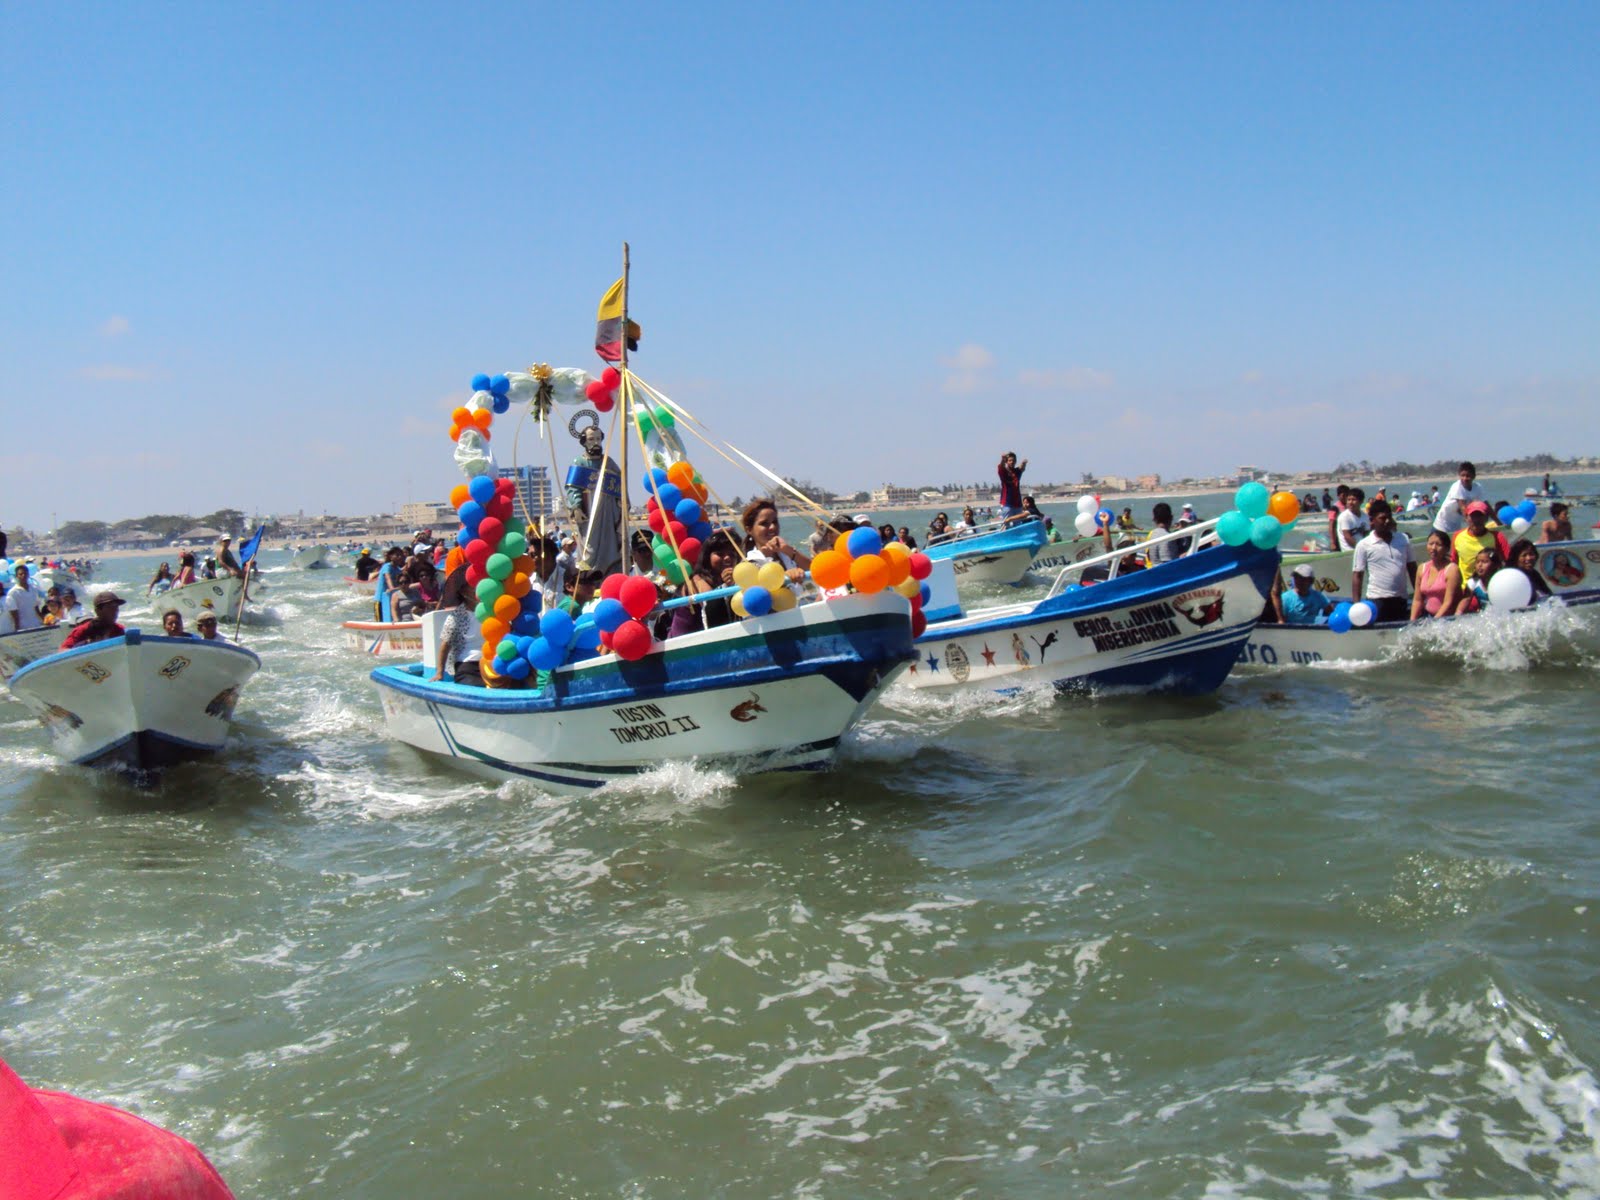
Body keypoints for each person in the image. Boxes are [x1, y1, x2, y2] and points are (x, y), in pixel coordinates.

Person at [564, 424, 623, 576]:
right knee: (588, 547)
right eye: (591, 439)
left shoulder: (608, 462)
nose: (595, 442)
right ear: (584, 442)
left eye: (598, 438)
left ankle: (610, 574)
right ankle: (587, 576)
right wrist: (576, 506)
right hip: (589, 512)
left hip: (609, 513)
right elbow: (572, 488)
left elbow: (619, 484)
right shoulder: (579, 462)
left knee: (610, 546)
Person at [1350, 500, 1415, 622]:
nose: (1387, 521)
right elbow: (1358, 575)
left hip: (1400, 599)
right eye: (1382, 518)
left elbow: (1412, 569)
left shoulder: (1404, 539)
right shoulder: (1364, 545)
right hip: (1377, 600)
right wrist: (1356, 605)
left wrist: (1419, 596)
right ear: (1372, 520)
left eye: (1389, 517)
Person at [667, 531, 740, 638]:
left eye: (732, 553)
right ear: (707, 557)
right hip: (685, 646)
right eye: (720, 554)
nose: (727, 558)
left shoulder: (730, 580)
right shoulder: (699, 582)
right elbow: (714, 619)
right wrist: (727, 587)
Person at [430, 576, 485, 686]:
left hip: (491, 664)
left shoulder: (490, 611)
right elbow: (445, 645)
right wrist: (439, 673)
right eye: (472, 585)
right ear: (463, 592)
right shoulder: (456, 617)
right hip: (467, 666)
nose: (477, 587)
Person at [741, 498, 811, 583]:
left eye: (774, 522)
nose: (772, 527)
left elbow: (815, 570)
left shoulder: (787, 554)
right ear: (749, 530)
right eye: (764, 523)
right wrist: (785, 577)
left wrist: (788, 550)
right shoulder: (749, 565)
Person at [1451, 502, 1510, 588]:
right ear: (1466, 517)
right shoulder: (1457, 536)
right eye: (1473, 516)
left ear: (1486, 518)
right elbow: (1454, 564)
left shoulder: (1497, 536)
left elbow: (1510, 561)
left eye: (1480, 516)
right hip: (1466, 588)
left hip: (1491, 587)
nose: (1476, 520)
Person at [1409, 530, 1461, 620]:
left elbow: (1448, 602)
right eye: (1430, 544)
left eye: (1438, 545)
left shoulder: (1452, 569)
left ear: (1447, 548)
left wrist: (1435, 621)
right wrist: (1412, 621)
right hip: (1428, 616)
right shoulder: (1422, 568)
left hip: (1448, 618)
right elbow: (1417, 600)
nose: (1433, 548)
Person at [1433, 461, 1486, 539]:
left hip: (1456, 526)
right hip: (1442, 525)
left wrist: (1497, 522)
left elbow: (1485, 506)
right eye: (1462, 475)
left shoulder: (1477, 487)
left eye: (1468, 476)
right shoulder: (1457, 487)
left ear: (1474, 476)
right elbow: (1464, 509)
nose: (1465, 478)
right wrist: (1475, 528)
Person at [60, 592, 127, 648]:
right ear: (98, 611)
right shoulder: (82, 630)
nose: (115, 611)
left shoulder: (120, 629)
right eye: (110, 607)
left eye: (116, 607)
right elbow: (64, 650)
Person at [1455, 548, 1502, 615]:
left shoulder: (1501, 582)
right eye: (1477, 562)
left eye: (1484, 562)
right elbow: (1465, 601)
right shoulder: (1474, 582)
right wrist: (1457, 615)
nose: (1480, 565)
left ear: (1495, 565)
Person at [5, 563, 45, 631]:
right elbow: (14, 614)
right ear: (16, 576)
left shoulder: (33, 588)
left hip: (36, 624)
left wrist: (44, 620)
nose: (23, 576)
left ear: (28, 575)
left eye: (25, 573)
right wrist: (16, 630)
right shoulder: (13, 592)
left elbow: (36, 608)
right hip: (23, 628)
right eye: (20, 574)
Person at [997, 452, 1027, 518]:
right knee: (1006, 523)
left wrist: (1024, 463)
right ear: (1006, 462)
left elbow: (1021, 468)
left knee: (1018, 523)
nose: (1011, 462)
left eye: (1013, 460)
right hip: (1007, 503)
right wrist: (1003, 459)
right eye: (1010, 460)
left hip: (1018, 503)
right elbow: (1001, 466)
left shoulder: (1017, 472)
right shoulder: (1004, 472)